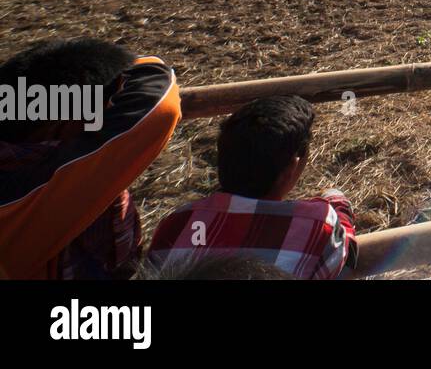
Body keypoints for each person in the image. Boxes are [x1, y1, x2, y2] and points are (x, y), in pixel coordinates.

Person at [0, 39, 181, 279]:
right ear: (60, 125)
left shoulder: (22, 160)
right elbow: (161, 105)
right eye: (98, 109)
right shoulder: (48, 184)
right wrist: (138, 64)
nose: (104, 115)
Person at [147, 95, 357, 280]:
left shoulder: (177, 221)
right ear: (293, 165)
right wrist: (337, 202)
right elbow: (344, 252)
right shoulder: (317, 223)